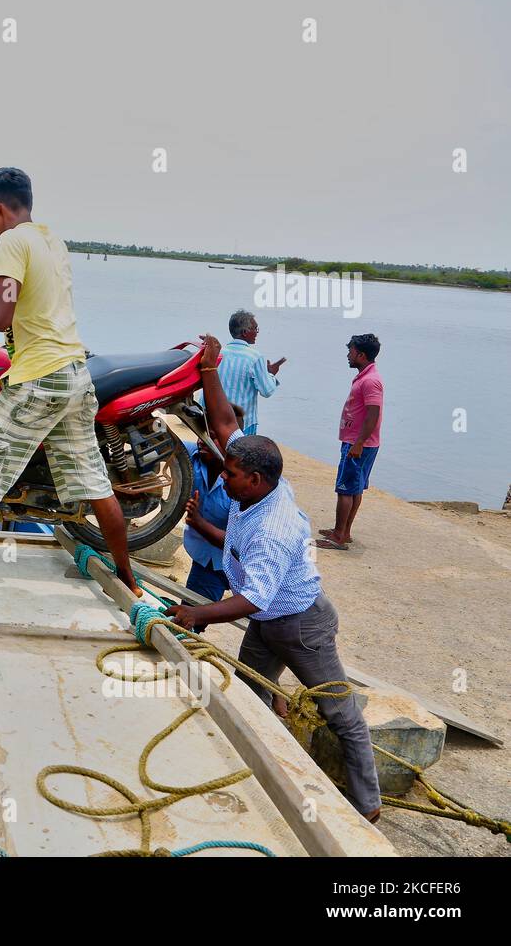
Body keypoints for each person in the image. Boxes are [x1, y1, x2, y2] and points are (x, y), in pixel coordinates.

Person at [165, 334, 380, 821]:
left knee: (339, 713)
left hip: (301, 625)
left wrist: (195, 613)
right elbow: (223, 423)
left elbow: (253, 598)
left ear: (256, 482)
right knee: (252, 685)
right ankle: (262, 761)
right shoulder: (254, 487)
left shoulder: (273, 527)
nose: (223, 477)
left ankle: (367, 805)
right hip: (270, 620)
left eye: (232, 475)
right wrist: (209, 367)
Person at [0, 167, 139, 608]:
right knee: (95, 482)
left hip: (41, 376)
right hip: (75, 374)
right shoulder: (50, 240)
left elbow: (0, 314)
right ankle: (128, 582)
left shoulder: (11, 240)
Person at [317, 334, 383, 551]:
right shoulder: (365, 377)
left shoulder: (370, 381)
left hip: (359, 444)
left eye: (351, 352)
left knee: (345, 489)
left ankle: (338, 536)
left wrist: (359, 442)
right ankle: (343, 531)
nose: (348, 355)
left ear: (361, 355)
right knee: (354, 489)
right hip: (359, 442)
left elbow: (373, 414)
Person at [181, 403, 246, 608]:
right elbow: (161, 442)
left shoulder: (245, 485)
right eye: (201, 433)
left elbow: (239, 543)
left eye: (214, 437)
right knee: (190, 615)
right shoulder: (190, 457)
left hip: (241, 564)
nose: (203, 440)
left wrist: (199, 523)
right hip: (208, 560)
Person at [217, 310, 284, 436]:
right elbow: (267, 390)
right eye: (255, 328)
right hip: (243, 424)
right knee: (241, 454)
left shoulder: (218, 353)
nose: (257, 332)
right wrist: (271, 375)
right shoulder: (254, 357)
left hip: (215, 419)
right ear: (245, 332)